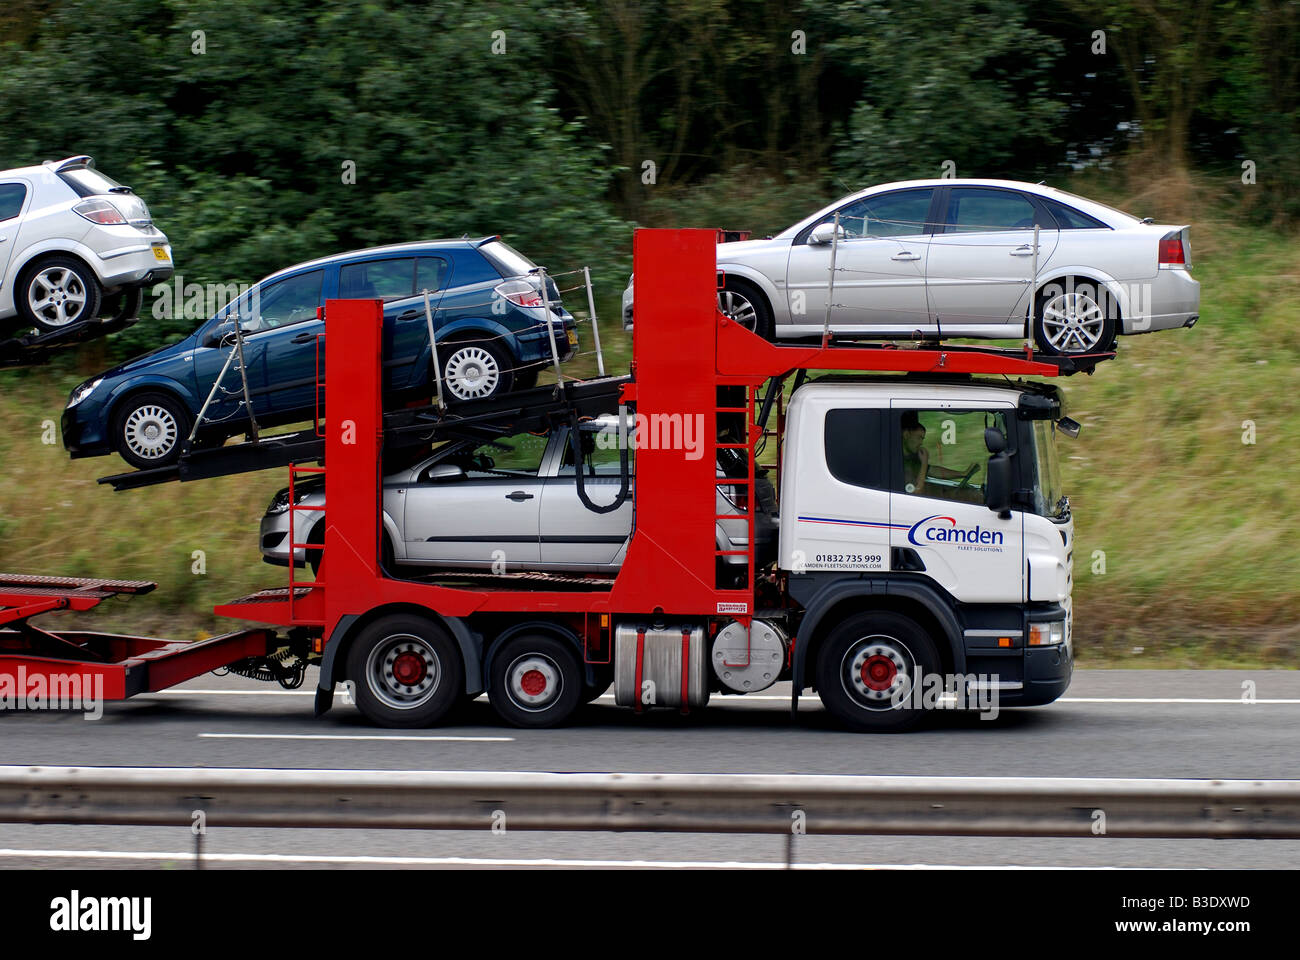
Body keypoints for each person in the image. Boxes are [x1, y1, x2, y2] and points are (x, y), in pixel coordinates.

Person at [900, 411, 980, 497]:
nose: (921, 443)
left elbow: (933, 471)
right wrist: (924, 462)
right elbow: (916, 492)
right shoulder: (898, 461)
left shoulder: (911, 458)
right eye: (919, 438)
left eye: (922, 439)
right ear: (906, 434)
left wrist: (963, 473)